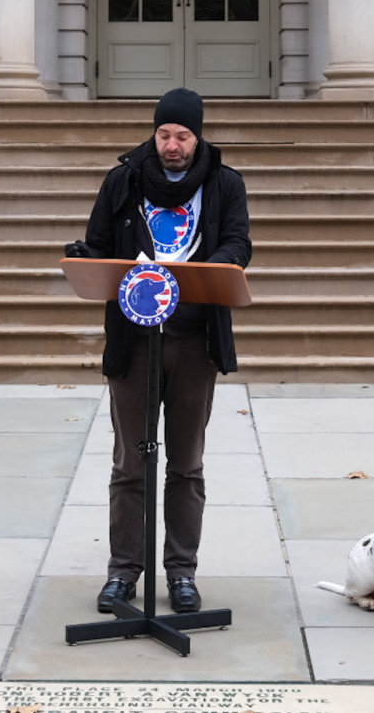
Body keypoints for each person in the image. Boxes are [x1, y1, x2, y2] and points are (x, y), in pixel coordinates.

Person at [67, 88, 251, 617]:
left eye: (182, 136)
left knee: (186, 465)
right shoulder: (123, 179)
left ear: (198, 137)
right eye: (164, 134)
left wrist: (207, 271)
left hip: (195, 343)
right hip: (134, 343)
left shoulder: (224, 183)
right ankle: (123, 572)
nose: (172, 145)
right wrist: (87, 255)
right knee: (130, 463)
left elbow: (239, 243)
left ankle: (182, 573)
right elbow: (99, 241)